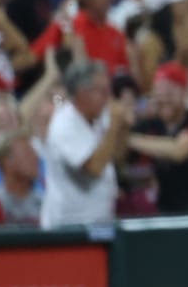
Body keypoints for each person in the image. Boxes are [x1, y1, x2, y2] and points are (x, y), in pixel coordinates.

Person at [41, 60, 131, 228]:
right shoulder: (64, 124)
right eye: (102, 91)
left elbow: (116, 156)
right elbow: (94, 167)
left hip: (97, 223)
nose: (107, 98)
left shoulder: (96, 119)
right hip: (68, 230)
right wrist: (114, 127)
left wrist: (123, 129)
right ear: (82, 93)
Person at [126, 62, 188, 214]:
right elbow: (123, 159)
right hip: (167, 211)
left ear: (185, 93)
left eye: (170, 93)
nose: (164, 100)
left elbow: (179, 151)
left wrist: (128, 139)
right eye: (159, 94)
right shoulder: (151, 126)